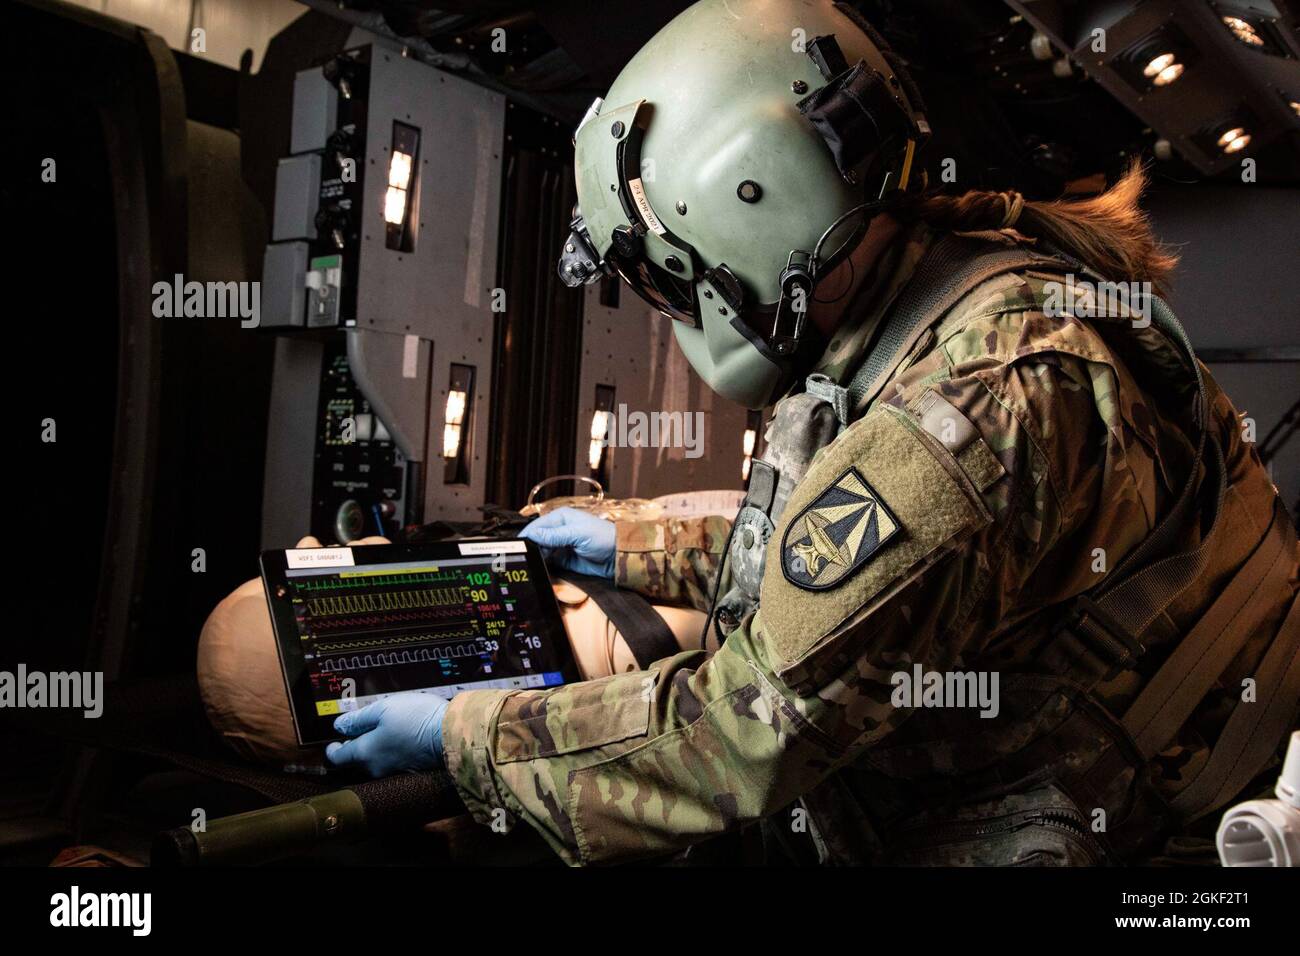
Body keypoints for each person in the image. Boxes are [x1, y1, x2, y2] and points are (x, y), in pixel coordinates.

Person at [325, 0, 1299, 865]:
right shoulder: (995, 282)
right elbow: (900, 572)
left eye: (664, 276)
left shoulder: (959, 422)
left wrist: (463, 732)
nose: (669, 306)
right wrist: (645, 548)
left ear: (732, 230)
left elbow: (739, 736)